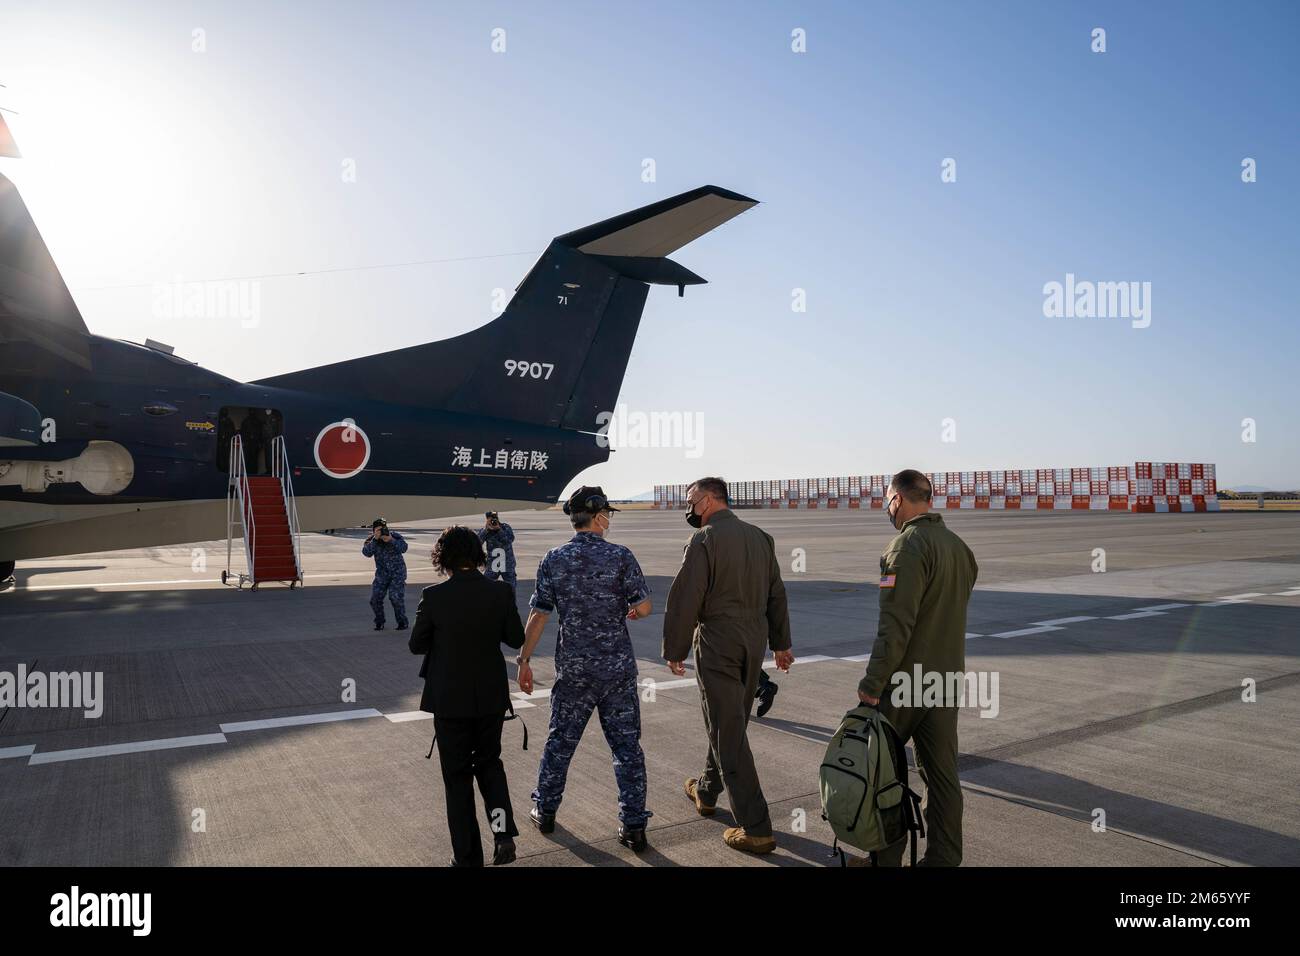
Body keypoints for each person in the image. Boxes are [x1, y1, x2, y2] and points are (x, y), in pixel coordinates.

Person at [852, 469, 978, 867]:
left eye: (887, 500)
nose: (886, 508)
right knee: (942, 778)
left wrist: (872, 683)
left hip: (906, 683)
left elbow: (896, 627)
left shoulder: (906, 547)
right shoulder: (959, 548)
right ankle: (942, 859)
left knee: (883, 775)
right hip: (945, 680)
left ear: (899, 500)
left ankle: (883, 861)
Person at [663, 476, 793, 854]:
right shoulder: (760, 537)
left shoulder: (704, 540)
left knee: (727, 730)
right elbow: (777, 593)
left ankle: (756, 827)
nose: (689, 508)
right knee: (728, 719)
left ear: (706, 500)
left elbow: (687, 596)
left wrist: (676, 648)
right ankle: (706, 790)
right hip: (753, 642)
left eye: (690, 501)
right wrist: (781, 644)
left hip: (718, 639)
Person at [519, 486, 654, 851]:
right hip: (617, 671)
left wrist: (524, 661)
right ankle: (634, 827)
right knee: (626, 749)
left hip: (575, 672)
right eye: (607, 514)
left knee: (560, 743)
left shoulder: (554, 558)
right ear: (598, 517)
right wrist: (628, 611)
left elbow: (538, 615)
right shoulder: (621, 556)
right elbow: (643, 608)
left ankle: (545, 810)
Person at [408, 525, 524, 867]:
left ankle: (467, 858)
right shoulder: (500, 593)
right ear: (478, 554)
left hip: (450, 701)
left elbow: (416, 645)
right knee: (490, 766)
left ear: (443, 556)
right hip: (489, 698)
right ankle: (502, 833)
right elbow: (515, 639)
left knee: (457, 780)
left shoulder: (433, 596)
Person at [362, 517, 409, 630]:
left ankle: (402, 622)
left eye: (383, 528)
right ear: (374, 530)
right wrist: (375, 539)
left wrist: (391, 540)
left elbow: (404, 548)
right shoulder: (371, 540)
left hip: (397, 572)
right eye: (379, 529)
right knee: (375, 599)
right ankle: (380, 621)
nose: (382, 531)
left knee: (395, 597)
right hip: (382, 574)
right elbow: (366, 553)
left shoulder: (394, 536)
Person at [477, 511, 517, 597]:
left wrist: (499, 530)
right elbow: (477, 543)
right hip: (493, 565)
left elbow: (509, 541)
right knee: (485, 587)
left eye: (494, 518)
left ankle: (510, 606)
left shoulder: (505, 527)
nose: (493, 521)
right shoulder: (485, 530)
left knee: (511, 589)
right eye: (491, 519)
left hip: (507, 564)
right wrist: (486, 530)